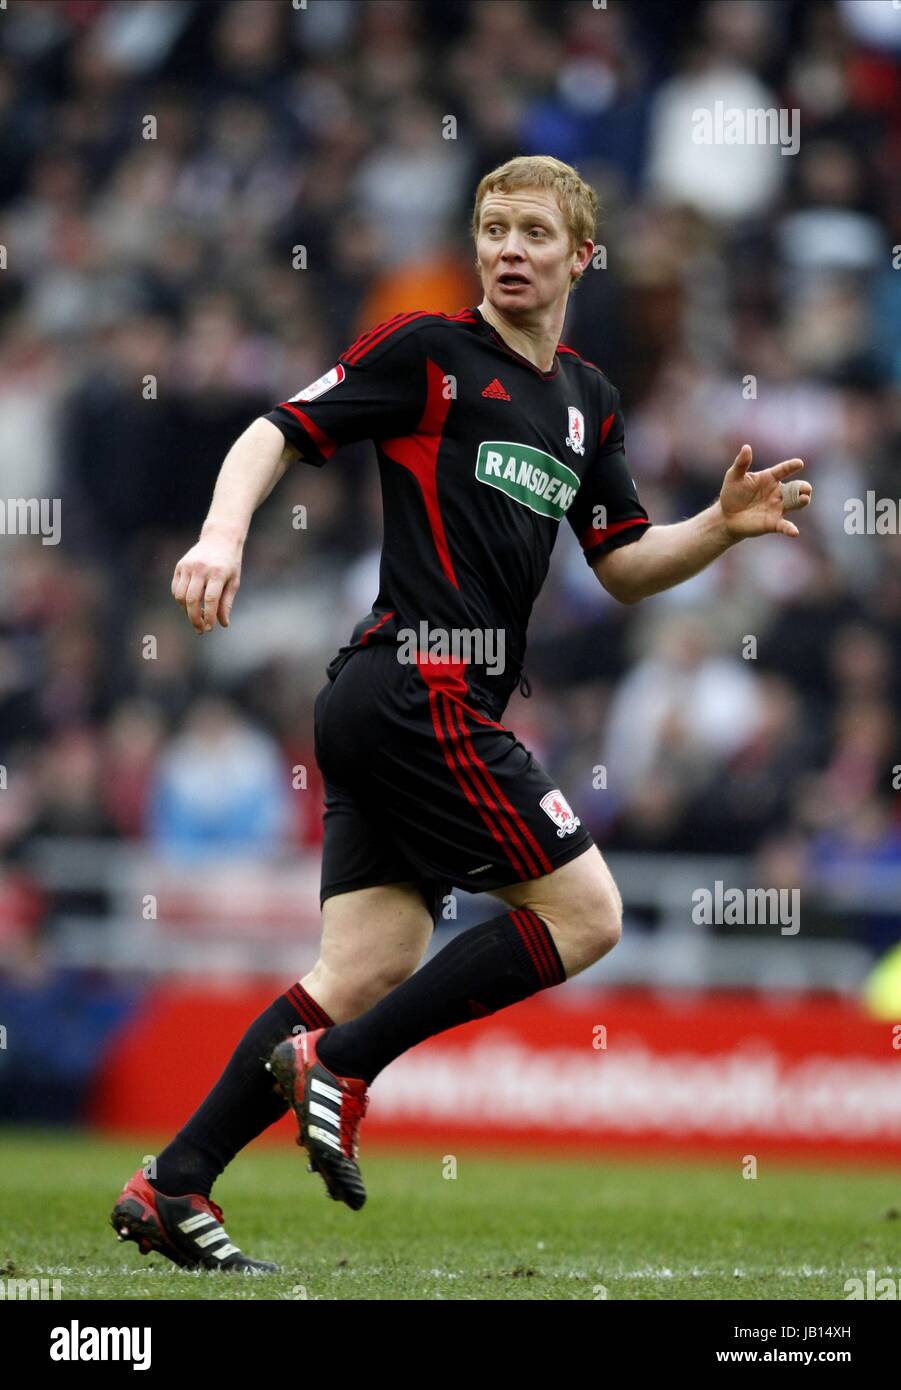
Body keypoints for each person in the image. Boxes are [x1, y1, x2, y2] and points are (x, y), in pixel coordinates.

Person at [111, 154, 811, 1268]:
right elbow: (276, 430)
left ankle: (176, 1181)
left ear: (581, 254)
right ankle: (346, 1063)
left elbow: (623, 564)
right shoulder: (430, 354)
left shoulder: (588, 402)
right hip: (415, 680)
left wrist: (718, 528)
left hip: (386, 702)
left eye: (534, 232)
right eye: (492, 228)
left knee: (360, 967)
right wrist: (222, 532)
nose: (508, 250)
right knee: (588, 915)